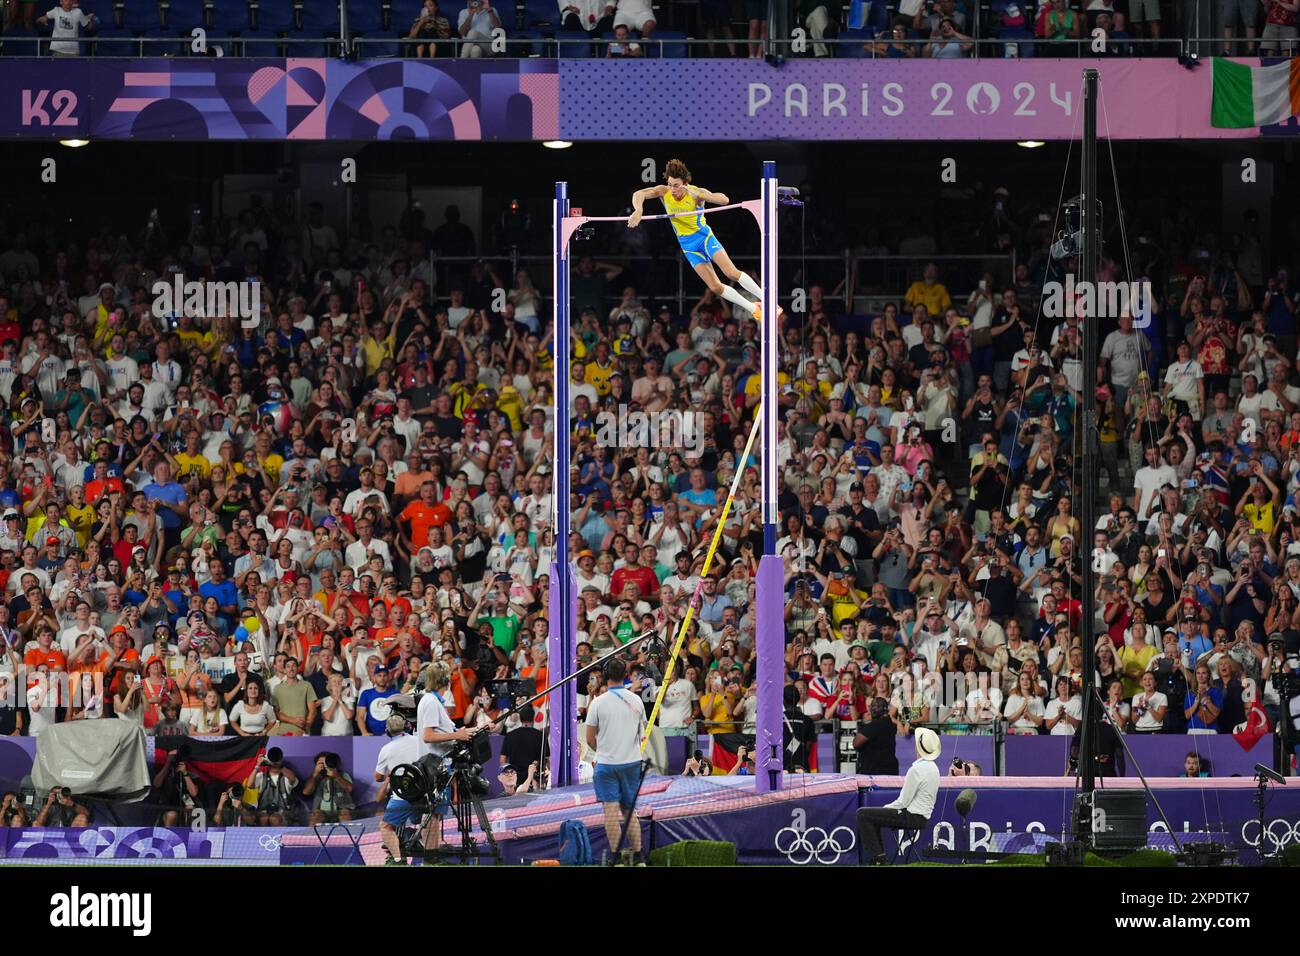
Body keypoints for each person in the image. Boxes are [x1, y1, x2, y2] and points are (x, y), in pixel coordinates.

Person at [627, 159, 772, 323]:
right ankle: (754, 308)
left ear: (685, 183)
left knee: (731, 272)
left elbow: (724, 200)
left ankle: (769, 300)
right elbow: (638, 194)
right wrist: (638, 211)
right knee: (715, 287)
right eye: (670, 184)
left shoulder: (695, 193)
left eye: (676, 185)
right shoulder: (664, 191)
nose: (672, 189)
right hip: (688, 247)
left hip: (705, 238)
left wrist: (702, 195)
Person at [584, 657, 647, 865]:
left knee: (610, 812)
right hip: (632, 763)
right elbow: (642, 734)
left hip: (607, 765)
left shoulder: (598, 703)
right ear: (626, 676)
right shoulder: (636, 700)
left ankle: (616, 859)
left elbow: (590, 739)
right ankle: (639, 858)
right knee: (630, 811)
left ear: (605, 676)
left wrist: (602, 751)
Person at [417, 661, 480, 855]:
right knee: (432, 813)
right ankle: (431, 856)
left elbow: (448, 731)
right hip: (433, 766)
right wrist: (457, 735)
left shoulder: (434, 701)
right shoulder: (430, 702)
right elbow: (428, 736)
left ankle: (433, 854)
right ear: (445, 681)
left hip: (441, 766)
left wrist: (476, 730)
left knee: (435, 813)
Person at [855, 726, 940, 865]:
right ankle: (879, 857)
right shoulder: (933, 768)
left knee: (862, 814)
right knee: (871, 816)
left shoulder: (917, 769)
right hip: (922, 817)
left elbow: (903, 802)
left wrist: (885, 808)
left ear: (918, 747)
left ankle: (879, 858)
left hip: (911, 816)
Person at [375, 714, 422, 864]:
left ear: (387, 731)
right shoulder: (419, 741)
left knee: (385, 826)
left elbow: (378, 777)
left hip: (403, 796)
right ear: (406, 726)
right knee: (427, 822)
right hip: (424, 792)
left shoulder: (386, 749)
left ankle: (397, 860)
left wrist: (390, 774)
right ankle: (429, 854)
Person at [853, 696, 899, 775]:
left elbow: (856, 743)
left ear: (885, 709)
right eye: (872, 706)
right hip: (888, 770)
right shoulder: (889, 723)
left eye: (878, 706)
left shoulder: (876, 725)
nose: (874, 709)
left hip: (875, 773)